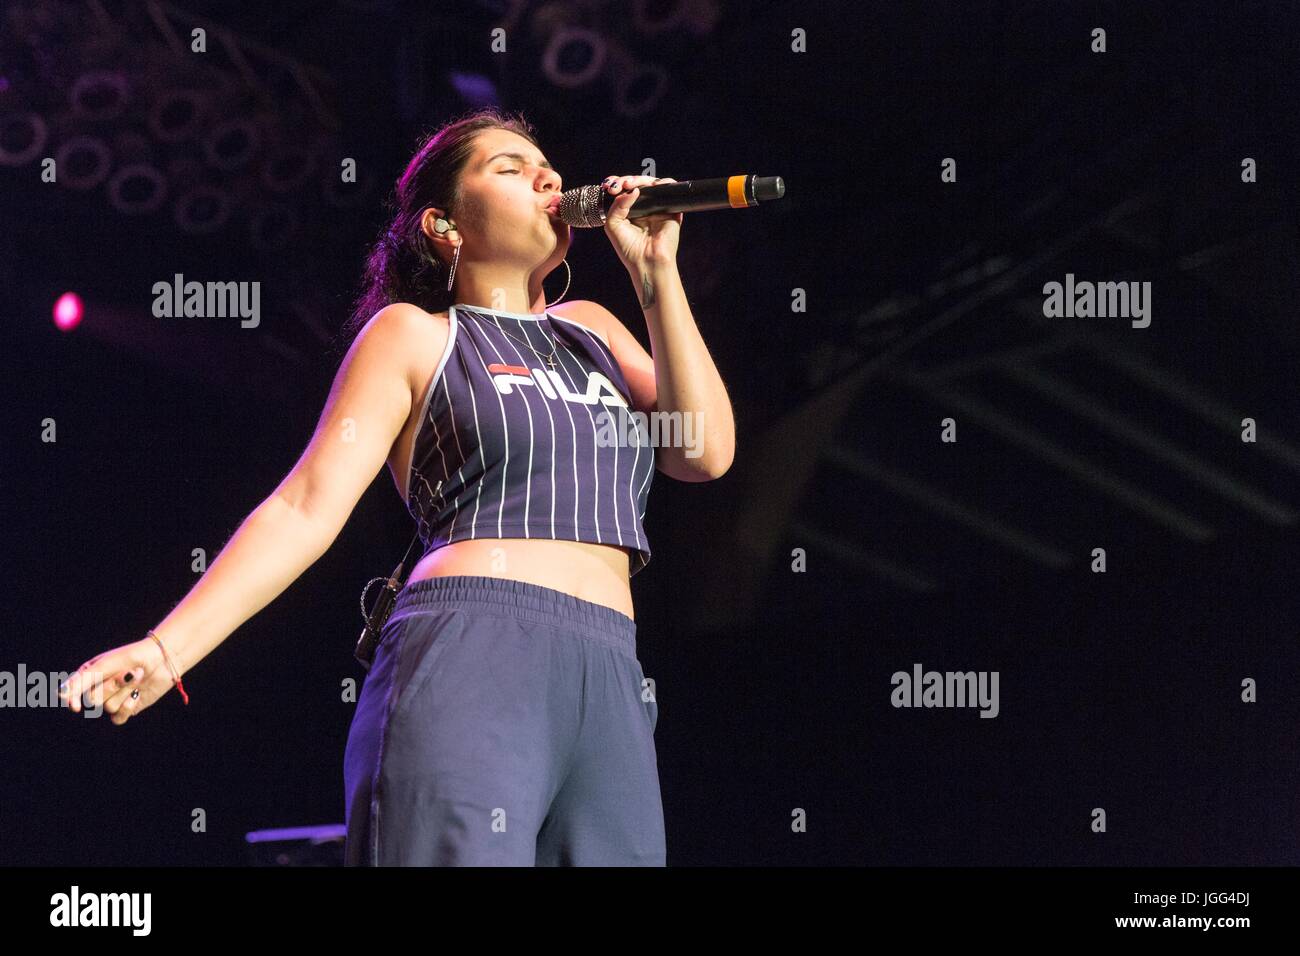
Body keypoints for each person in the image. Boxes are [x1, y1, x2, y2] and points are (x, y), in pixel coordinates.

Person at [58, 107, 735, 866]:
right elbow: (305, 504)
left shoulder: (595, 329)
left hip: (610, 665)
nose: (547, 177)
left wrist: (656, 277)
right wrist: (167, 647)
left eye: (545, 164)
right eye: (509, 167)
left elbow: (703, 453)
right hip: (474, 644)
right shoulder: (417, 334)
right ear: (445, 226)